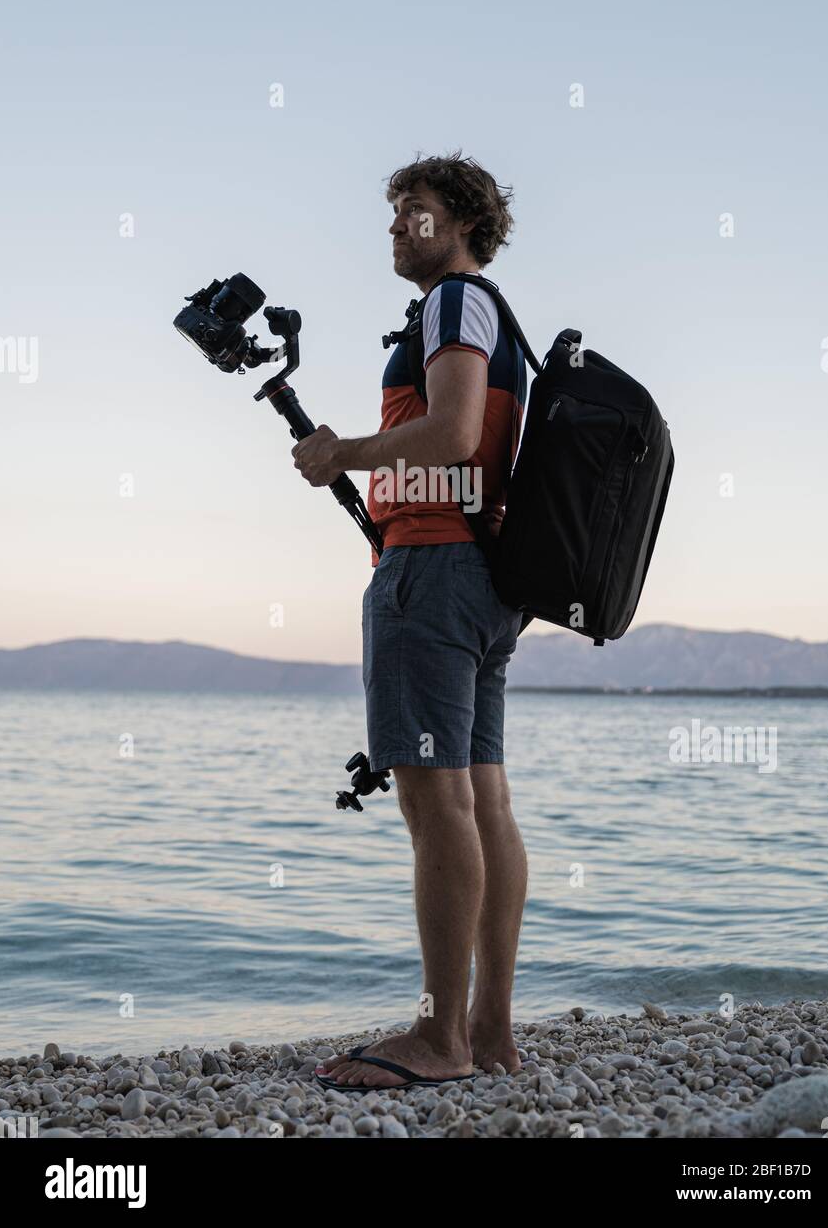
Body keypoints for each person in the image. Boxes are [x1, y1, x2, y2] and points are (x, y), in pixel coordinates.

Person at [291, 152, 528, 1088]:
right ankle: (491, 1032)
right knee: (482, 800)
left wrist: (343, 451)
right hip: (483, 576)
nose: (396, 227)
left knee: (436, 805)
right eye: (393, 212)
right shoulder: (486, 310)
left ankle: (440, 1041)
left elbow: (456, 432)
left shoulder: (455, 302)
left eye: (415, 211)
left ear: (463, 222)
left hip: (432, 570)